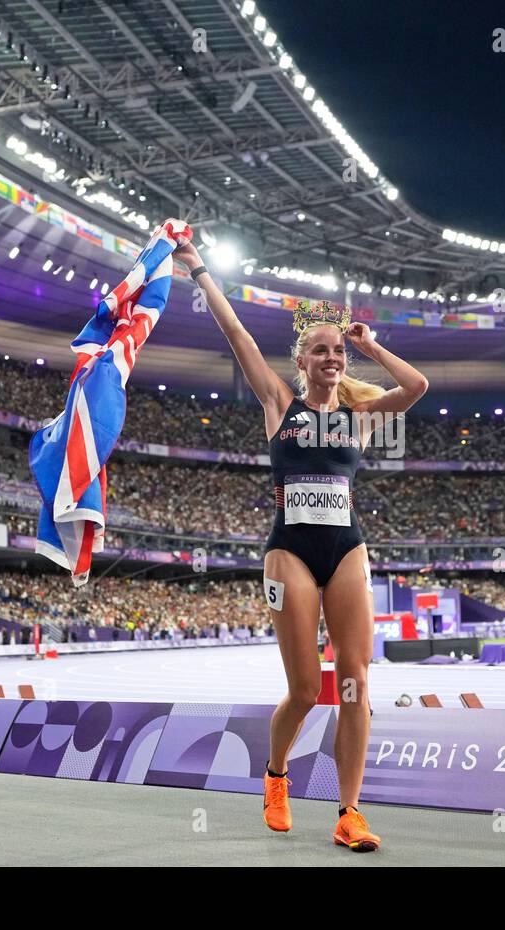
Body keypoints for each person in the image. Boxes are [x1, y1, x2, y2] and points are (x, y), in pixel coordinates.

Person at [176, 240, 427, 851]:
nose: (333, 358)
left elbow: (416, 385)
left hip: (346, 547)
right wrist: (199, 267)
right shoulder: (279, 405)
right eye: (323, 350)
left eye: (339, 351)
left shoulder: (358, 417)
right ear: (302, 361)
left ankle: (349, 813)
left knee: (355, 683)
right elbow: (237, 334)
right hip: (289, 549)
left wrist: (370, 346)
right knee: (308, 690)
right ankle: (277, 774)